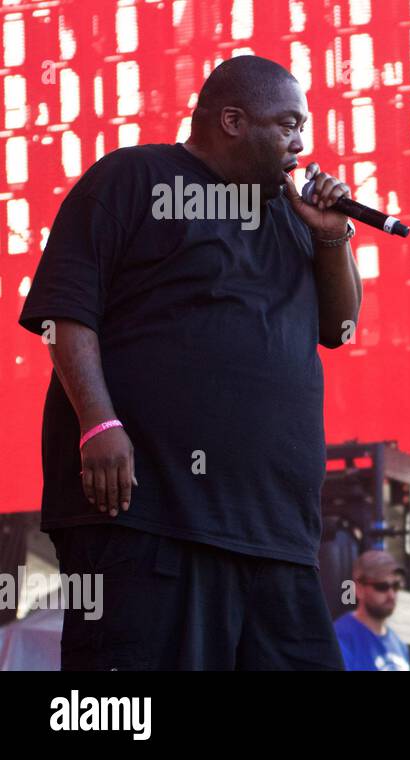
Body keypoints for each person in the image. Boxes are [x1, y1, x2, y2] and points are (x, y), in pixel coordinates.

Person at [17, 55, 361, 670]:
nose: (301, 143)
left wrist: (332, 234)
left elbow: (338, 329)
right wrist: (99, 423)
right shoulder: (133, 177)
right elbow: (65, 312)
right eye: (288, 124)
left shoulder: (288, 212)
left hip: (274, 529)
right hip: (152, 516)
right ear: (233, 120)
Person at [334, 551, 410, 671]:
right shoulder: (340, 639)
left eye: (396, 586)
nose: (391, 595)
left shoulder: (400, 645)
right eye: (382, 586)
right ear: (359, 589)